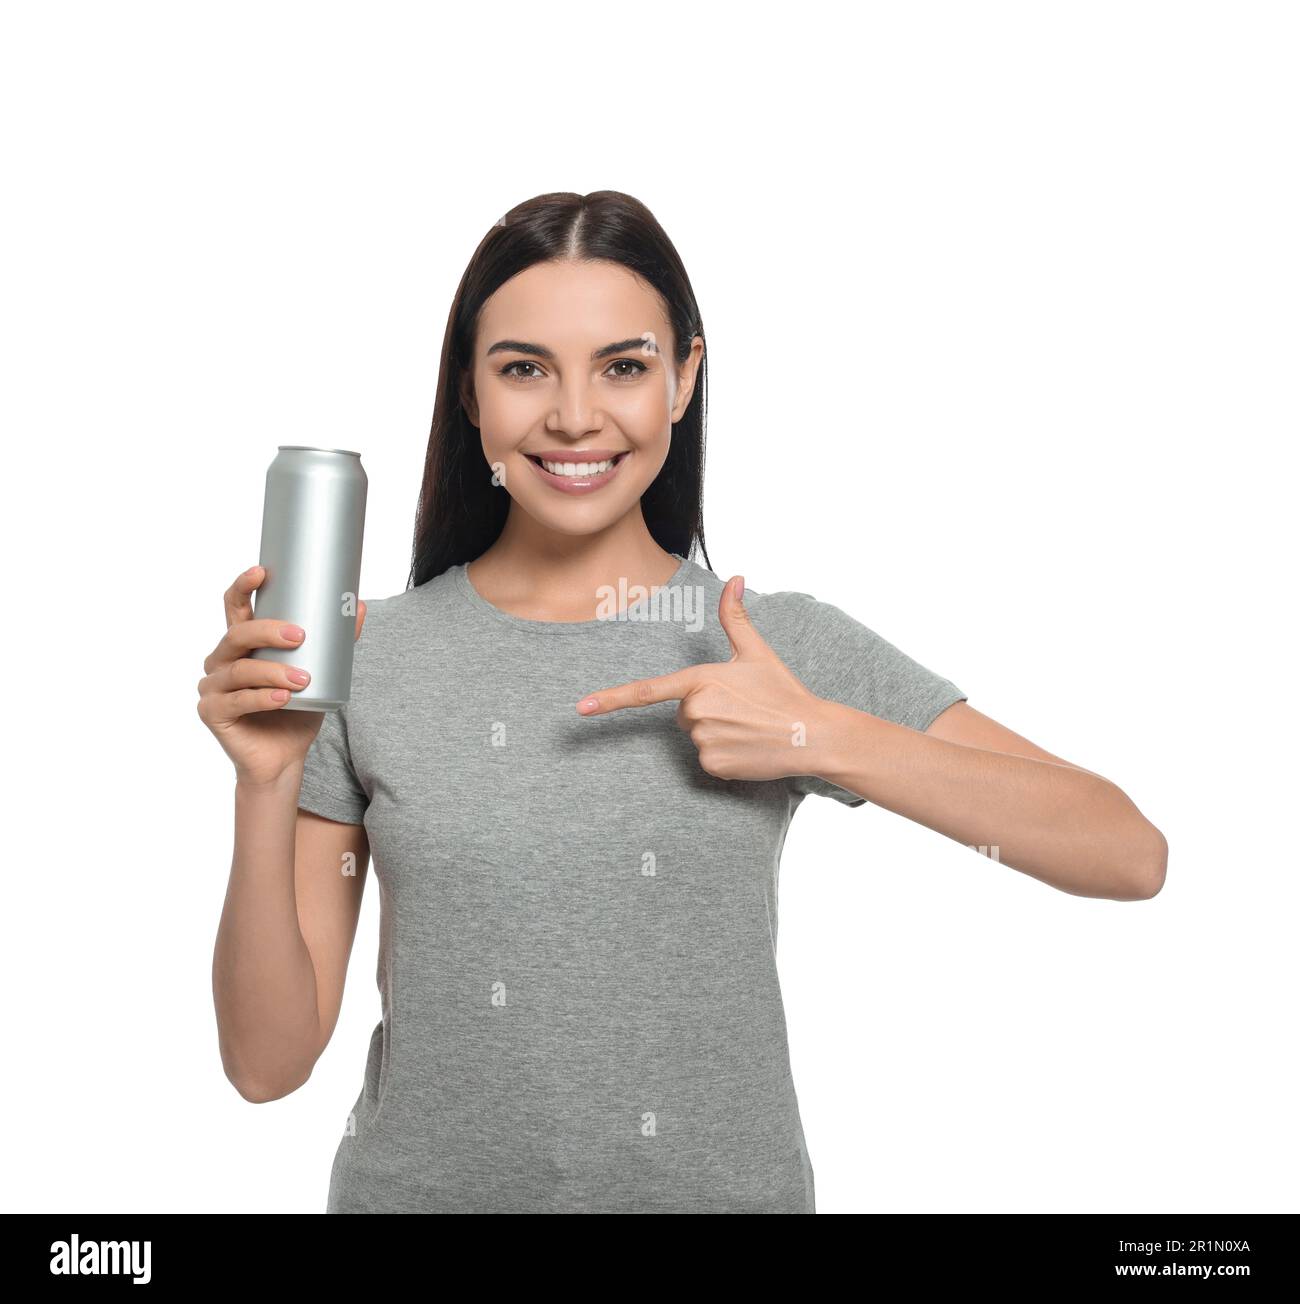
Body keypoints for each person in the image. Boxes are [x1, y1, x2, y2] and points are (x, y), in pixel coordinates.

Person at [198, 190, 1168, 1214]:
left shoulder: (768, 640)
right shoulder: (368, 656)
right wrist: (264, 782)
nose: (574, 415)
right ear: (471, 393)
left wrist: (821, 733)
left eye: (623, 365)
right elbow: (268, 1063)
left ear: (682, 379)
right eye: (525, 367)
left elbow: (1124, 849)